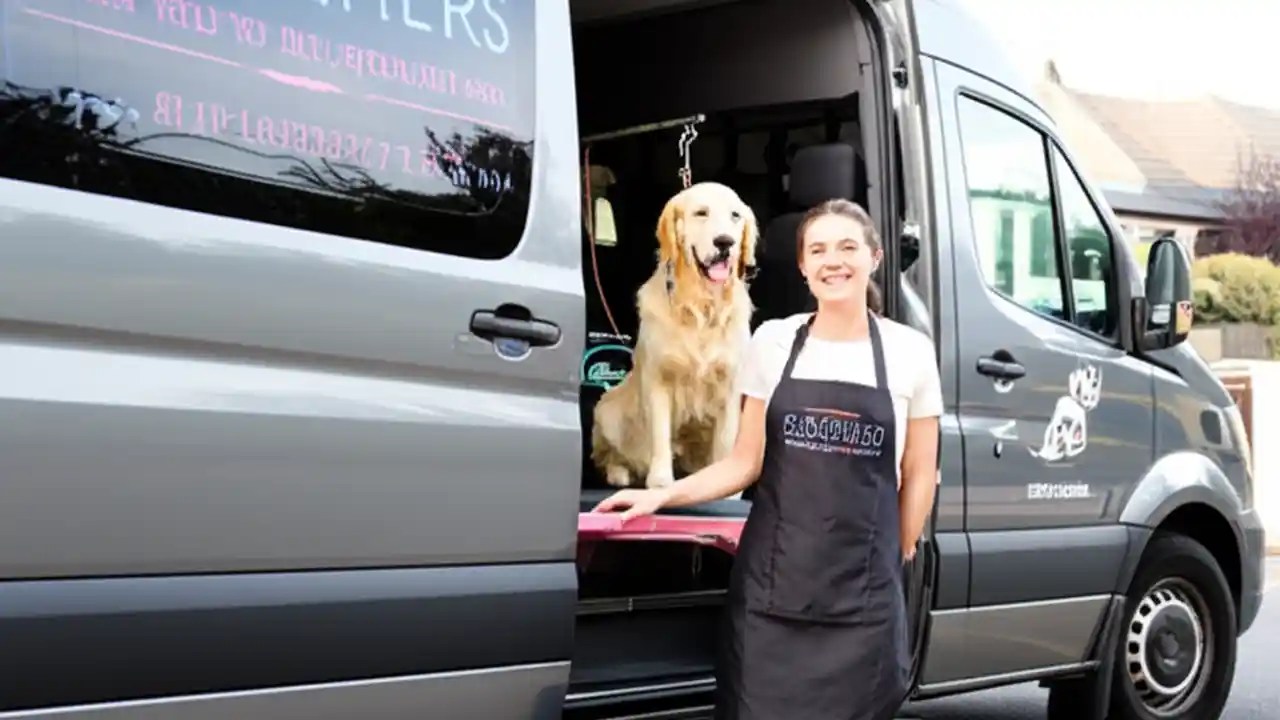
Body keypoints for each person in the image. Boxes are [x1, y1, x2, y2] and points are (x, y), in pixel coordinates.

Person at [591, 198, 943, 720]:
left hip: (862, 601)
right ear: (802, 266)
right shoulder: (773, 341)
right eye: (818, 249)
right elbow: (744, 462)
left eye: (848, 248)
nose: (833, 261)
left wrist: (901, 546)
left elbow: (919, 470)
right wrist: (660, 494)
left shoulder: (910, 351)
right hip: (772, 597)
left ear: (875, 257)